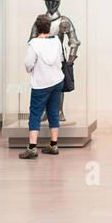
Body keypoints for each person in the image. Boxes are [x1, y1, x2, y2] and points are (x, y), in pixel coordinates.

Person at [19, 13, 65, 160]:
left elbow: (28, 63)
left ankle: (32, 148)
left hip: (41, 84)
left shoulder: (34, 44)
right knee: (53, 112)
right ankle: (53, 144)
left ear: (37, 27)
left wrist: (31, 70)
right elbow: (61, 59)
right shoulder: (57, 41)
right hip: (57, 81)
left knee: (35, 114)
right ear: (49, 27)